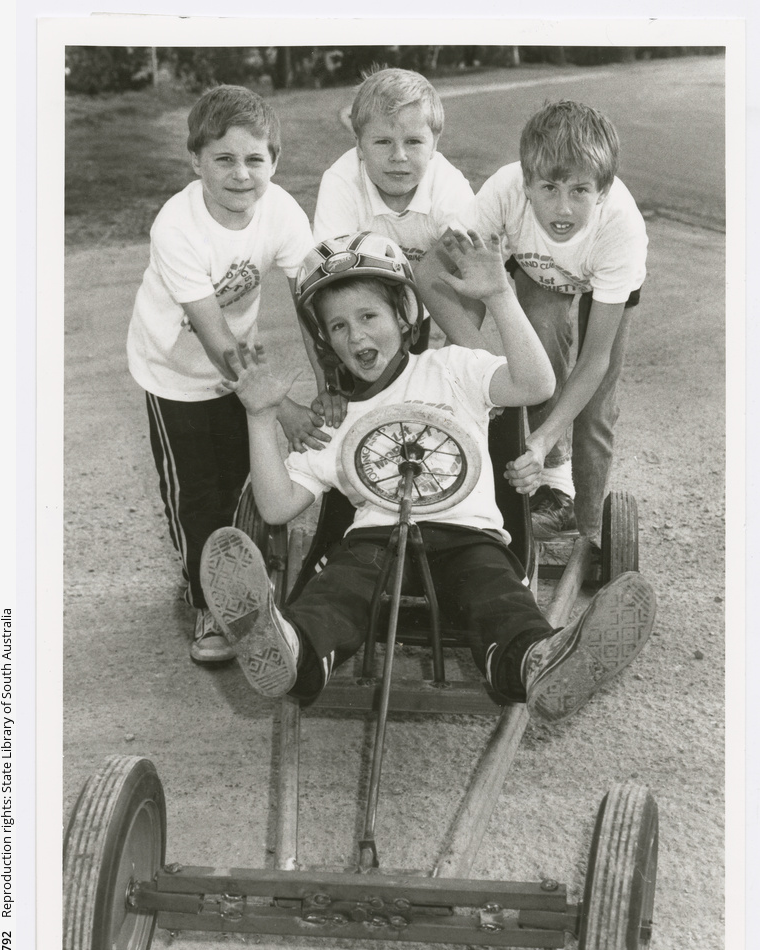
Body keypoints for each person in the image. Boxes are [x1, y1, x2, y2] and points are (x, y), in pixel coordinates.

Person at [199, 231, 656, 721]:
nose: (354, 337)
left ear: (403, 316)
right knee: (338, 593)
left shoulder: (454, 368)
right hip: (373, 542)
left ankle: (537, 662)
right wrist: (260, 416)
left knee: (495, 598)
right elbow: (275, 506)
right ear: (325, 340)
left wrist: (501, 294)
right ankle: (292, 650)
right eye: (337, 327)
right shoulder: (337, 416)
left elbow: (536, 384)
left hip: (468, 538)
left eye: (368, 316)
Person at [127, 84, 321, 664]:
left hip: (239, 366)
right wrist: (282, 408)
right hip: (176, 372)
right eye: (224, 159)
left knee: (247, 480)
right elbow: (213, 338)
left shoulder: (282, 210)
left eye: (255, 160)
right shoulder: (177, 226)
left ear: (274, 163)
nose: (242, 175)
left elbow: (312, 304)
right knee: (198, 494)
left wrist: (330, 386)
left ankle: (251, 587)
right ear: (196, 161)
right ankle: (208, 602)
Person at [415, 99, 648, 544]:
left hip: (603, 275)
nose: (562, 209)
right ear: (526, 183)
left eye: (579, 191)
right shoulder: (505, 189)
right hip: (539, 270)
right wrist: (482, 359)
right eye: (548, 188)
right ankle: (554, 490)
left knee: (595, 402)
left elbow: (595, 358)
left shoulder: (622, 227)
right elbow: (429, 273)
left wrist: (539, 439)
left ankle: (589, 527)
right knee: (539, 355)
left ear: (602, 190)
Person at [312, 66, 474, 404]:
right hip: (361, 306)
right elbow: (331, 290)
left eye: (413, 142)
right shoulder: (341, 183)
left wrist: (461, 361)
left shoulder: (450, 189)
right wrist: (331, 379)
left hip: (425, 300)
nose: (398, 156)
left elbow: (472, 283)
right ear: (359, 144)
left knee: (425, 388)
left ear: (434, 144)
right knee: (367, 397)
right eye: (383, 141)